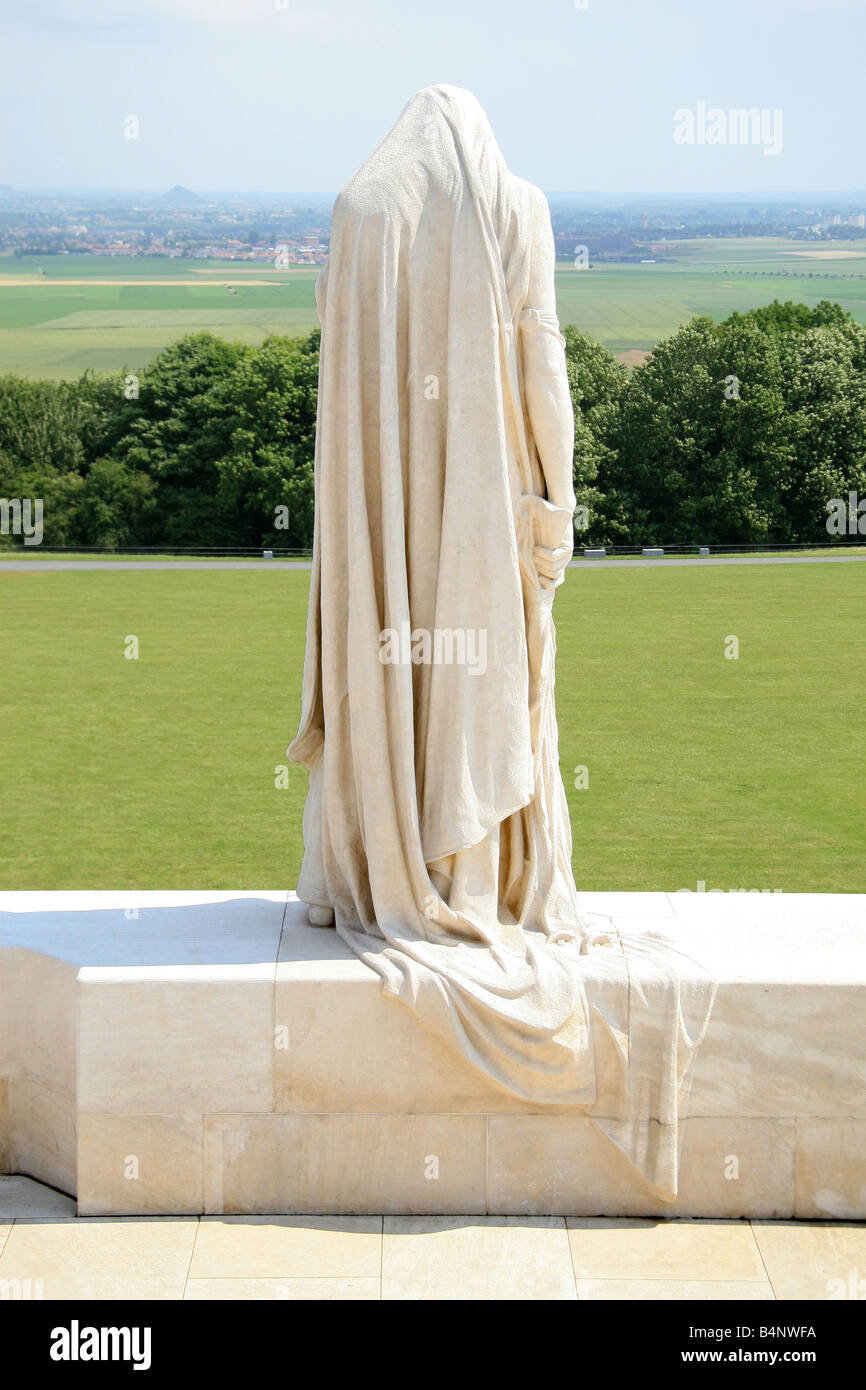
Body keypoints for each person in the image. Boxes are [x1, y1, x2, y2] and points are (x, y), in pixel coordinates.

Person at [289, 85, 714, 1197]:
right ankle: (470, 876)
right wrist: (554, 504)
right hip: (481, 514)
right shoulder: (512, 206)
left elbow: (345, 406)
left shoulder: (356, 212)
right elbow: (543, 368)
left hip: (395, 524)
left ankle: (375, 862)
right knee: (493, 686)